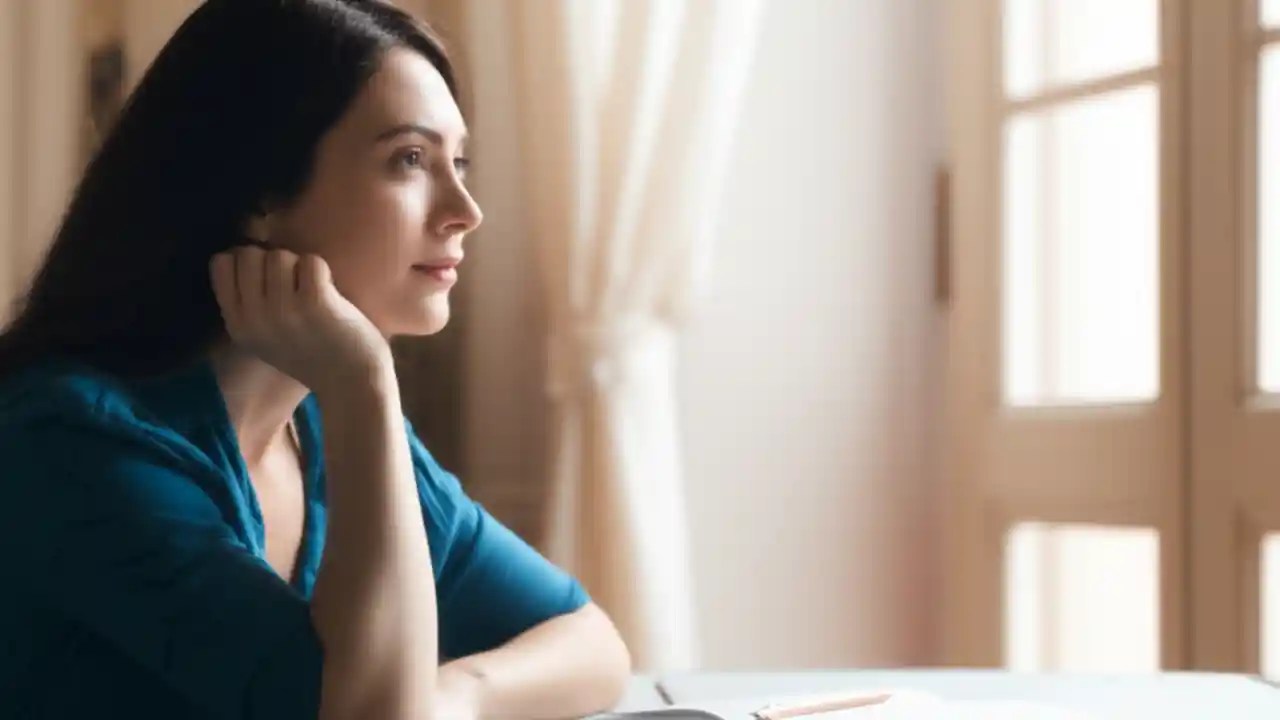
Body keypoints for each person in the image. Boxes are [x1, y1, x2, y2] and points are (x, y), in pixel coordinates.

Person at [0, 1, 631, 717]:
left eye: (458, 162)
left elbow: (592, 644)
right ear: (259, 195)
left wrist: (453, 697)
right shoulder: (73, 446)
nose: (465, 209)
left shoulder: (322, 431)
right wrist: (365, 381)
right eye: (410, 160)